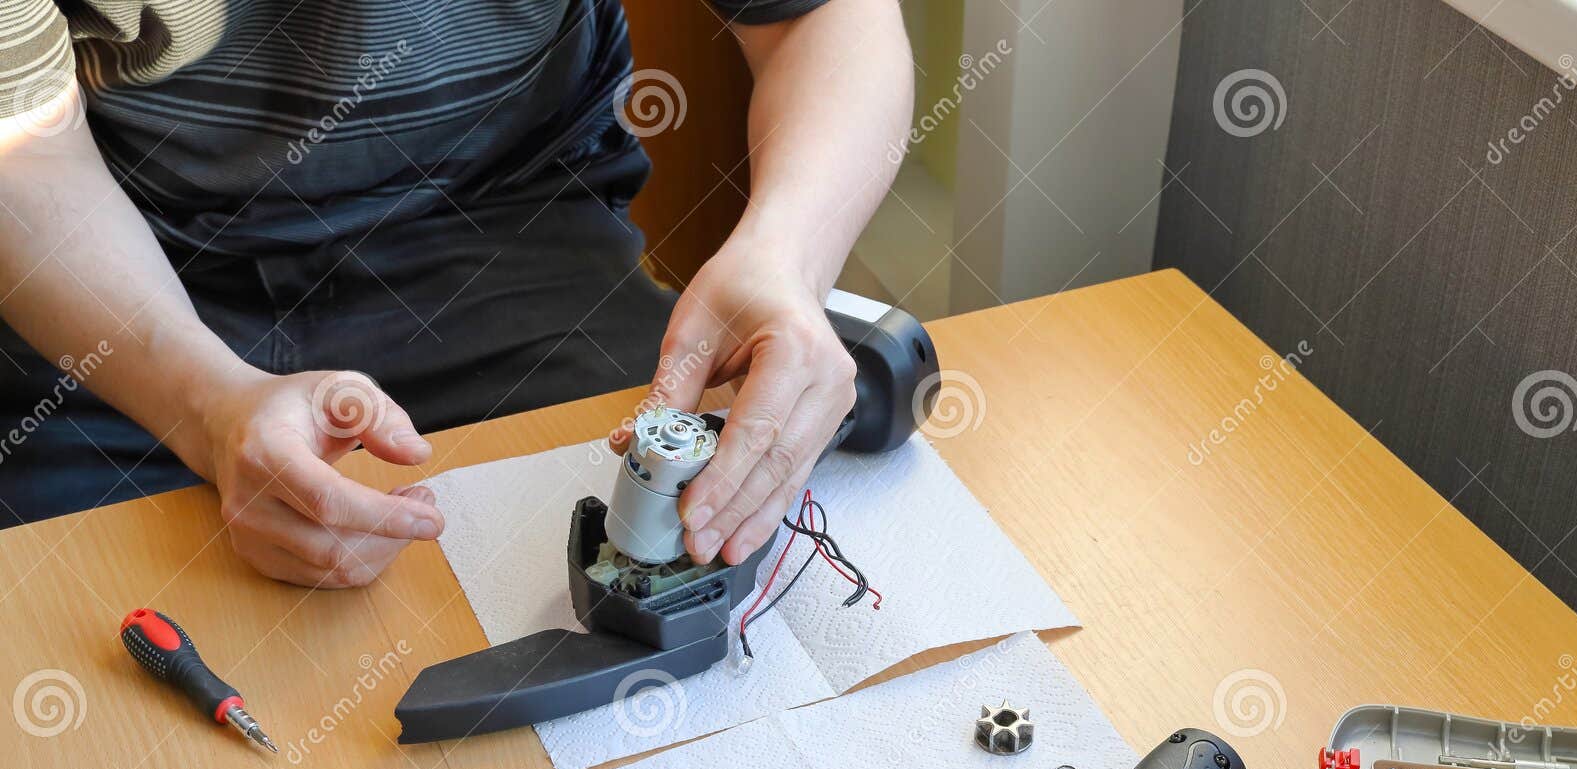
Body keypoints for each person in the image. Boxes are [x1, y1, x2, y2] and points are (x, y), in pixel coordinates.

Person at [0, 0, 911, 586]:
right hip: (113, 284)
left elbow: (815, 17)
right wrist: (206, 407)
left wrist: (785, 258)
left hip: (503, 230)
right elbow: (17, 143)